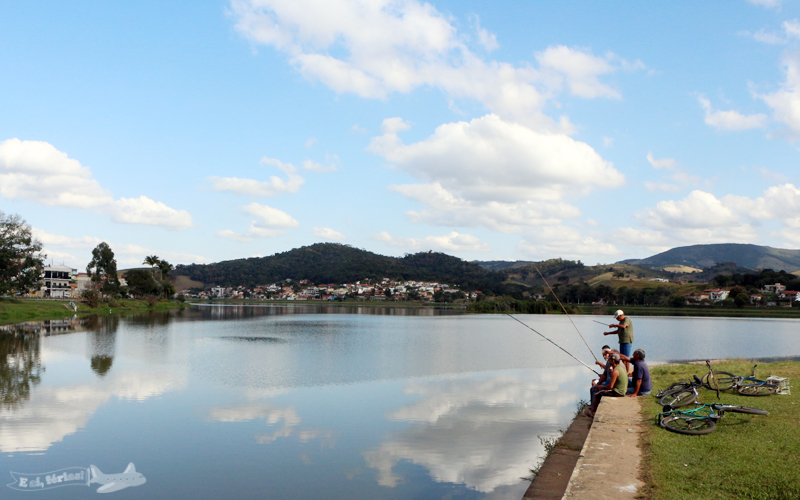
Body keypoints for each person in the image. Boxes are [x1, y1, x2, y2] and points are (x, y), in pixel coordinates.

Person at [584, 353, 628, 418]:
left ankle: (593, 412)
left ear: (613, 361)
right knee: (600, 391)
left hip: (618, 392)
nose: (608, 361)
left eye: (609, 360)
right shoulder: (620, 368)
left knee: (597, 394)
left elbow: (610, 387)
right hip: (622, 390)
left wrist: (601, 387)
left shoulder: (615, 371)